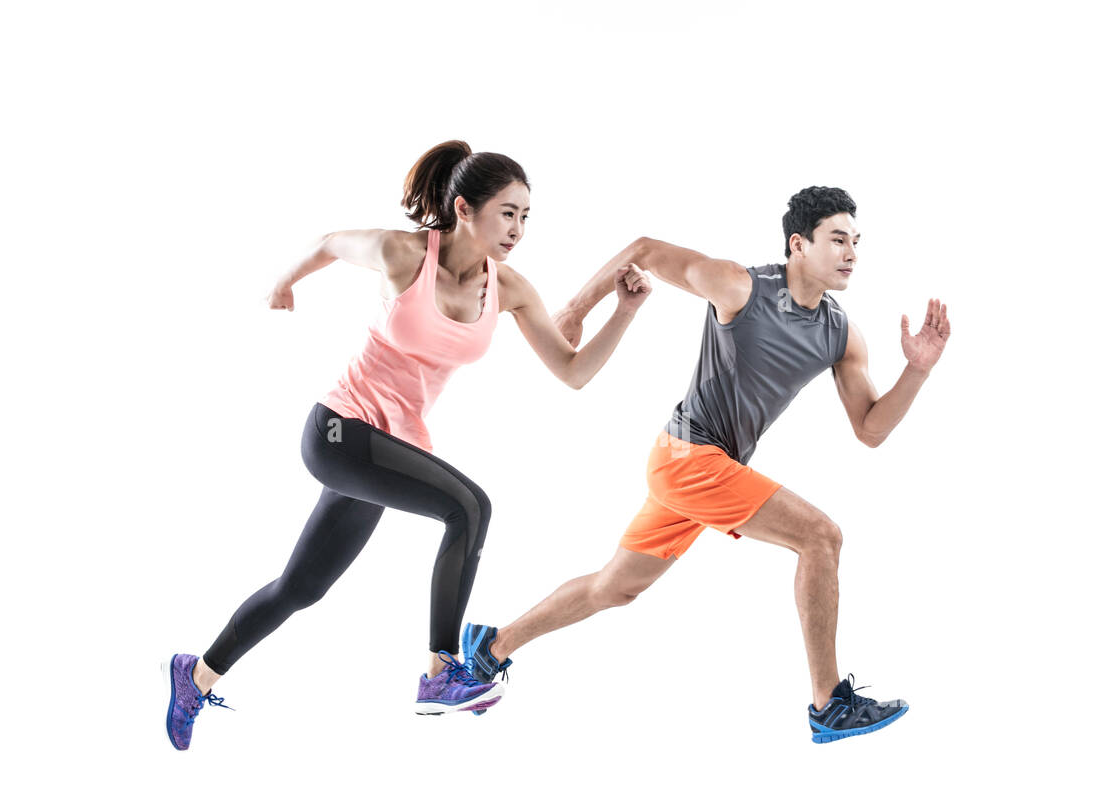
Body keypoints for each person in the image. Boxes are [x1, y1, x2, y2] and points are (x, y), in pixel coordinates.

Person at [162, 140, 651, 750]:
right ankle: (441, 673)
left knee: (302, 587)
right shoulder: (404, 254)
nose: (518, 229)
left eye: (526, 216)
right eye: (507, 213)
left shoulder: (511, 288)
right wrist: (284, 283)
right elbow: (330, 242)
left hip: (387, 448)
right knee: (469, 508)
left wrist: (626, 311)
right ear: (465, 209)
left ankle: (194, 675)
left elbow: (573, 372)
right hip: (339, 431)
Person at [458, 186, 950, 743]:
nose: (851, 253)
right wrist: (573, 310)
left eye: (856, 242)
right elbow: (643, 247)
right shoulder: (740, 286)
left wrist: (918, 371)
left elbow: (870, 430)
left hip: (699, 470)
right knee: (820, 537)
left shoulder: (841, 333)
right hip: (689, 458)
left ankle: (490, 648)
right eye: (837, 239)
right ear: (798, 244)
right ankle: (828, 704)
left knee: (613, 589)